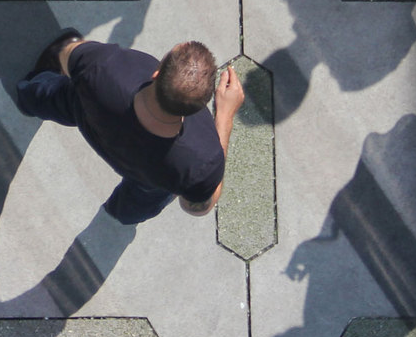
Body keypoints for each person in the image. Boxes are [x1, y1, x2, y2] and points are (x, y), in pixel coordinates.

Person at [13, 31, 244, 223]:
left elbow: (67, 53)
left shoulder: (106, 67)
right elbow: (197, 207)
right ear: (199, 107)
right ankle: (121, 215)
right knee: (141, 200)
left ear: (156, 73)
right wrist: (224, 116)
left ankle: (28, 99)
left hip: (90, 117)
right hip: (148, 178)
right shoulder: (201, 164)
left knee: (58, 97)